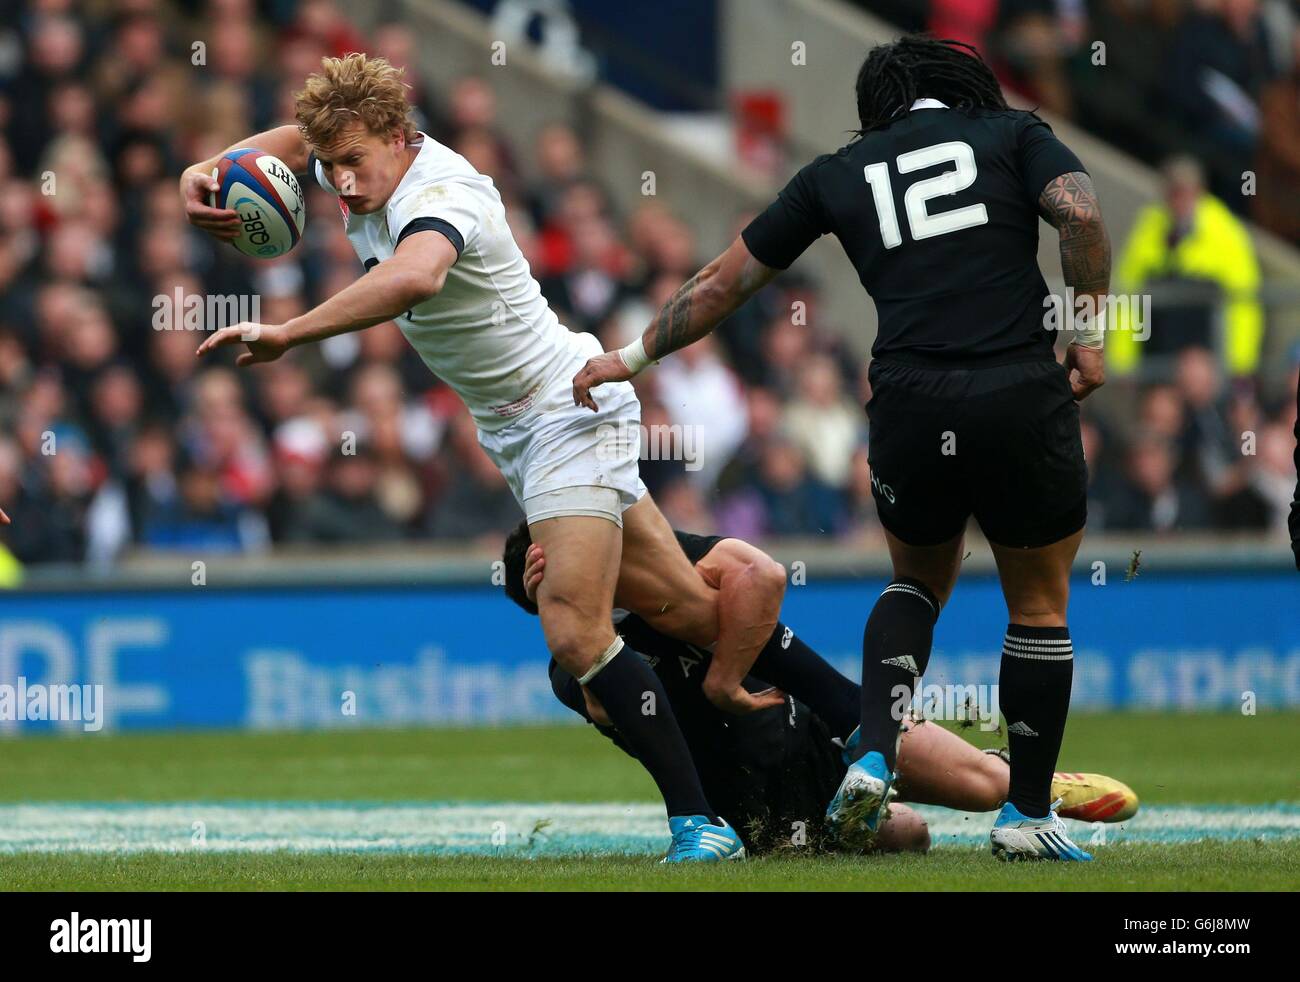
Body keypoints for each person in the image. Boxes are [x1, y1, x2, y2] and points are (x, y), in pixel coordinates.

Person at [180, 53, 769, 862]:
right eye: (332, 166)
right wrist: (206, 168)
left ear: (399, 136)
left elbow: (416, 277)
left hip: (569, 407)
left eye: (353, 163)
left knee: (573, 628)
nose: (340, 183)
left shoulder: (440, 193)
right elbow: (294, 141)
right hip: (520, 430)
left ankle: (699, 824)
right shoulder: (355, 158)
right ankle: (837, 725)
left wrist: (290, 331)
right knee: (689, 612)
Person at [571, 36, 1111, 861]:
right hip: (1018, 393)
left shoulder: (836, 172)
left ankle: (871, 750)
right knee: (1037, 604)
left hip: (908, 402)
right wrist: (1092, 336)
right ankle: (1027, 817)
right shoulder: (1014, 135)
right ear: (960, 88)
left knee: (916, 586)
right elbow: (1079, 213)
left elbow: (722, 283)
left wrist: (631, 357)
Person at [502, 521, 1140, 856]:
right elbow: (601, 703)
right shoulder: (576, 669)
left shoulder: (664, 563)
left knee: (977, 785)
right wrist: (556, 605)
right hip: (761, 804)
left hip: (810, 719)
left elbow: (760, 574)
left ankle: (1029, 783)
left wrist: (724, 681)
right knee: (910, 836)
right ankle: (942, 792)